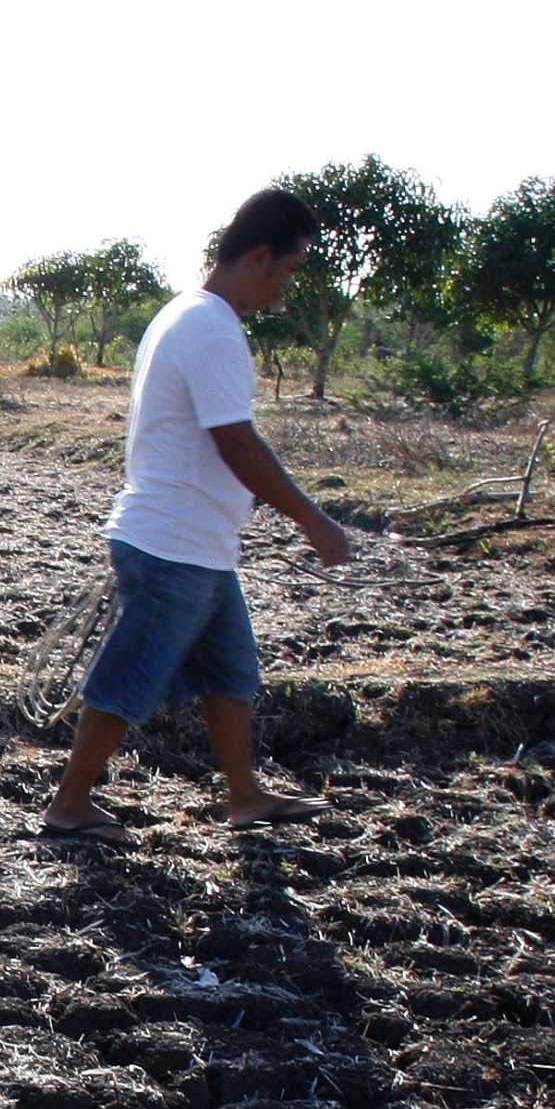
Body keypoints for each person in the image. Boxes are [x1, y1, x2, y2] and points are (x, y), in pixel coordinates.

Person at [40, 188, 350, 847]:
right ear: (260, 256)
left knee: (232, 672)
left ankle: (244, 796)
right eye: (290, 270)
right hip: (172, 541)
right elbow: (235, 441)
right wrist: (311, 518)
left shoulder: (184, 316)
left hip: (198, 543)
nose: (287, 289)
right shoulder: (210, 326)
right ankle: (69, 804)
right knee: (130, 674)